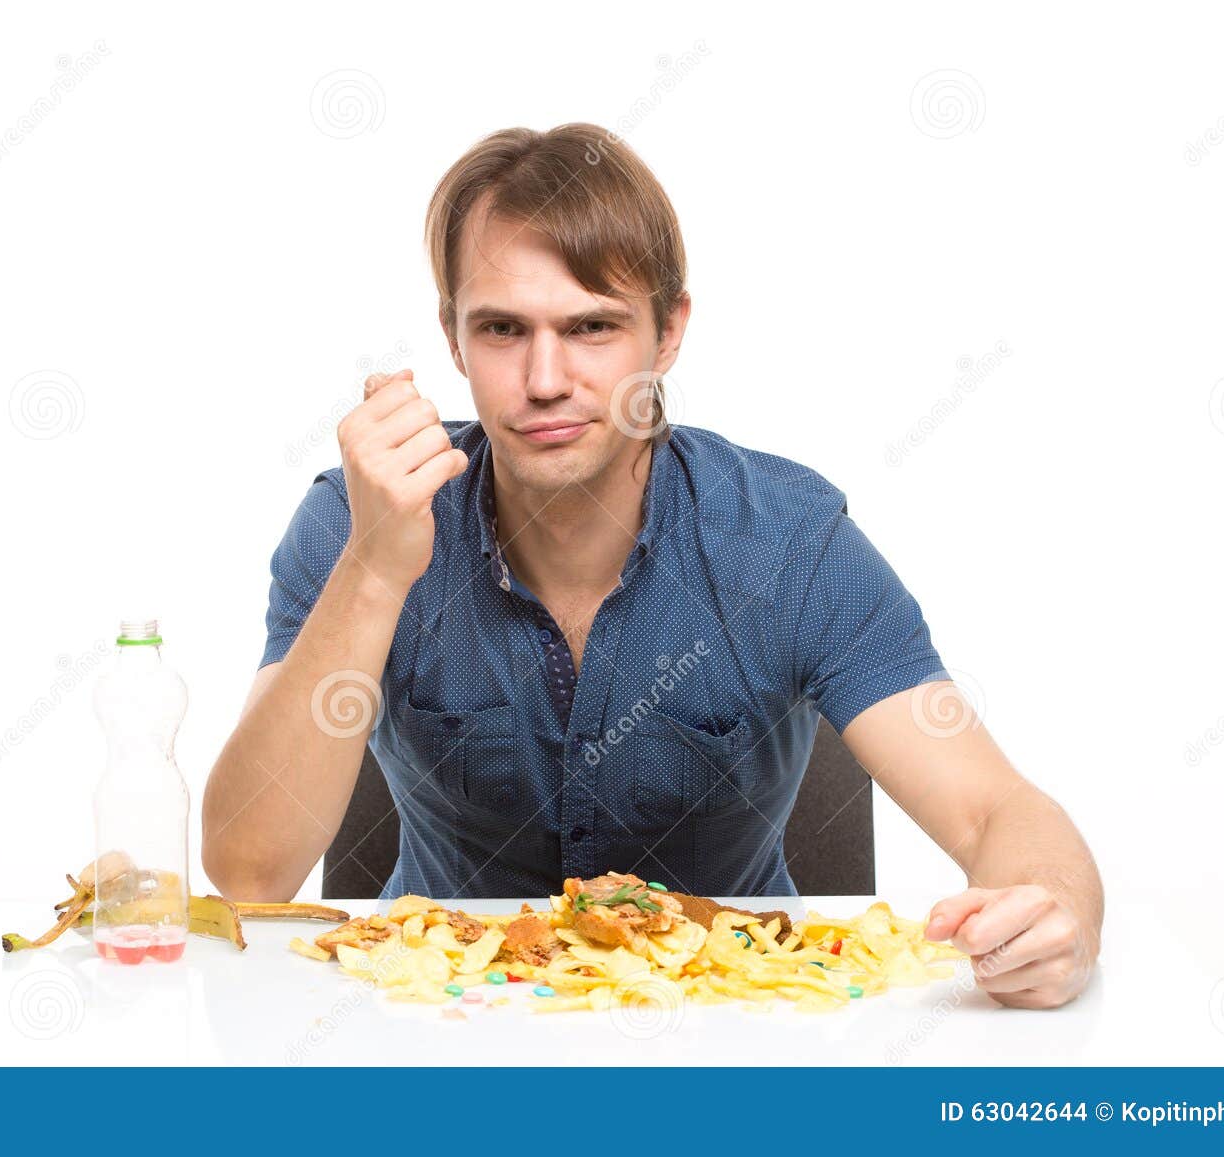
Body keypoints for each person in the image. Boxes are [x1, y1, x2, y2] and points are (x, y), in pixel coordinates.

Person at [203, 123, 1102, 1009]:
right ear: (453, 340)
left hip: (733, 1025)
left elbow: (997, 811)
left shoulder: (790, 541)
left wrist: (1051, 915)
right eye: (503, 328)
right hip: (436, 1021)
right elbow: (248, 869)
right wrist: (373, 570)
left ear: (667, 333)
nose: (546, 377)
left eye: (592, 326)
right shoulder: (356, 520)